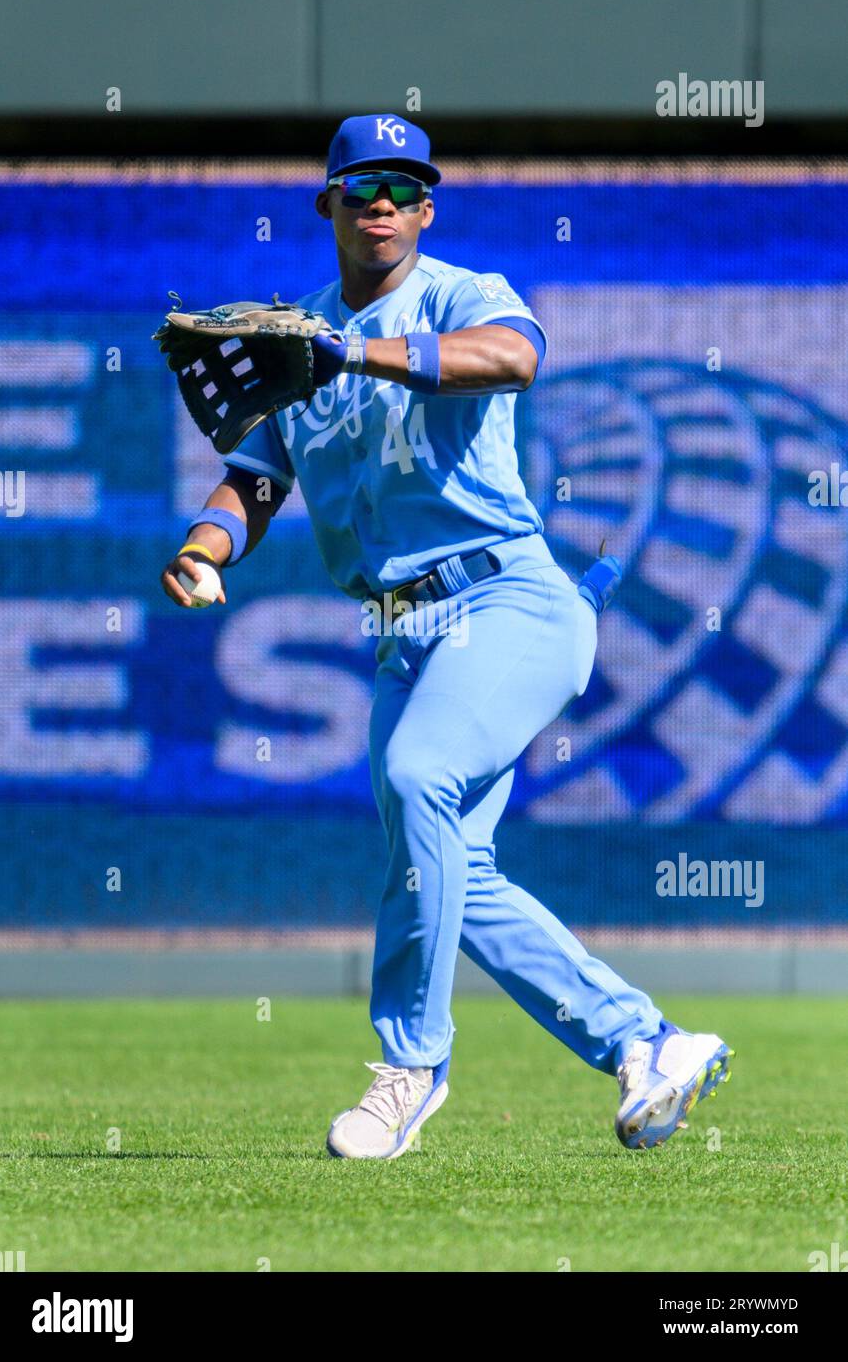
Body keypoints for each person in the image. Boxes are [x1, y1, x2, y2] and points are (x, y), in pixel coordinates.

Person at [161, 113, 733, 1159]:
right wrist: (204, 547)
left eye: (401, 184)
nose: (380, 198)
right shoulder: (300, 341)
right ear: (326, 203)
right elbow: (255, 478)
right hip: (399, 635)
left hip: (506, 600)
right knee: (448, 877)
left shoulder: (461, 295)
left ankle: (408, 1068)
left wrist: (353, 350)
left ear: (424, 209)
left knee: (422, 775)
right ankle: (645, 1041)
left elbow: (509, 359)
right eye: (359, 182)